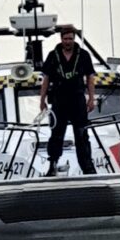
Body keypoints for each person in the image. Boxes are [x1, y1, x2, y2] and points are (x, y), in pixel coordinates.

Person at [39, 25, 96, 175]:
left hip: (78, 100)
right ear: (61, 39)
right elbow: (46, 79)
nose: (68, 42)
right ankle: (52, 165)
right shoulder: (53, 56)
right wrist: (42, 100)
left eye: (70, 38)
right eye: (65, 39)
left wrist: (91, 98)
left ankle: (87, 167)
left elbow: (90, 77)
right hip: (59, 100)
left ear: (74, 39)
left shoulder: (84, 55)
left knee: (82, 134)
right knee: (56, 134)